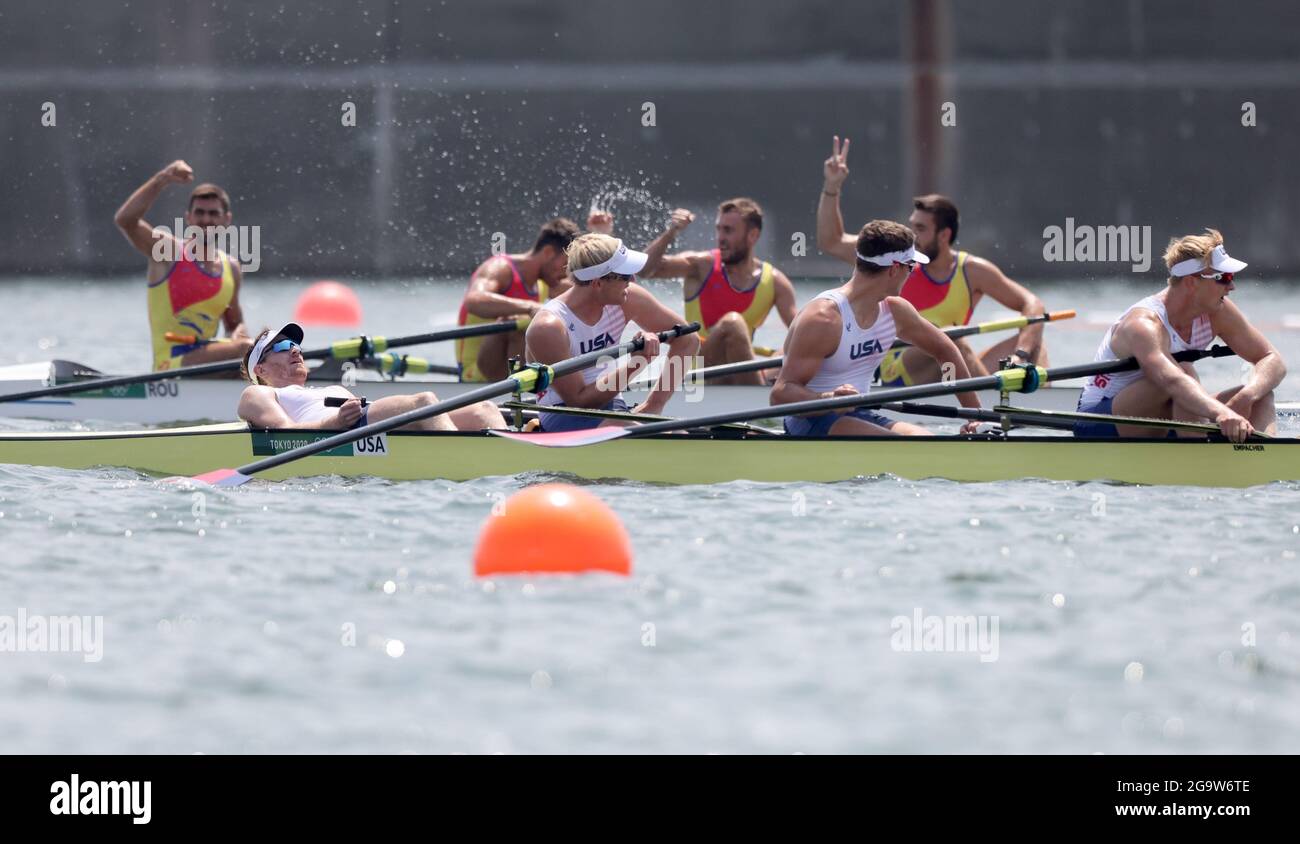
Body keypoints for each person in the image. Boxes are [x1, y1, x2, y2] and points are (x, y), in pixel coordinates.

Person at [816, 136, 1051, 384]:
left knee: (1036, 345)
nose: (911, 235)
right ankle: (989, 404)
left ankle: (1030, 404)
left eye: (921, 228)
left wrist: (1022, 355)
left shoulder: (973, 271)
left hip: (948, 363)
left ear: (944, 235)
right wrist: (832, 186)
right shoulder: (895, 256)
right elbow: (831, 241)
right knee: (950, 339)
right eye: (911, 226)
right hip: (897, 369)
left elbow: (1033, 305)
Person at [772, 220, 982, 436]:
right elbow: (780, 394)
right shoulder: (824, 319)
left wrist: (973, 416)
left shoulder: (895, 311)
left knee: (927, 441)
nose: (913, 273)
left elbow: (945, 352)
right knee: (907, 448)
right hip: (810, 419)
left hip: (860, 412)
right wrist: (827, 400)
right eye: (911, 267)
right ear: (894, 269)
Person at [1073, 229, 1284, 442]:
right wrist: (1222, 413)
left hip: (1167, 413)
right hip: (1100, 419)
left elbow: (1272, 359)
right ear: (1192, 282)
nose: (1231, 286)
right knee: (1183, 372)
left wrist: (1246, 397)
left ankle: (1260, 454)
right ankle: (1197, 458)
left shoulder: (1218, 311)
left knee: (1261, 394)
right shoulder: (1144, 324)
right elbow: (1172, 381)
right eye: (1223, 277)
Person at [524, 233, 700, 431]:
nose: (632, 279)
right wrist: (637, 363)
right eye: (625, 275)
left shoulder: (628, 299)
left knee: (677, 432)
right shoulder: (549, 327)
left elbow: (687, 340)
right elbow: (579, 401)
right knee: (663, 436)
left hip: (615, 410)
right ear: (598, 283)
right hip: (565, 415)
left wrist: (654, 404)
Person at [113, 160, 252, 371]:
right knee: (247, 350)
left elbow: (234, 324)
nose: (206, 220)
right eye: (200, 213)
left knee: (272, 349)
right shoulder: (167, 252)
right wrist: (164, 178)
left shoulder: (231, 268)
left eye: (214, 214)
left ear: (227, 220)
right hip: (171, 363)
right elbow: (125, 220)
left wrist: (239, 335)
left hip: (209, 360)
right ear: (188, 218)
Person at [639, 198, 797, 384]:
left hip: (740, 370)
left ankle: (763, 391)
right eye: (719, 229)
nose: (720, 237)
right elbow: (645, 270)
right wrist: (671, 233)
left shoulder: (776, 282)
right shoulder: (701, 265)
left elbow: (804, 332)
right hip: (698, 367)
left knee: (798, 345)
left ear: (753, 235)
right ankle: (759, 399)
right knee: (733, 323)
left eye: (728, 230)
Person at [238, 323, 505, 431]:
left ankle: (512, 463)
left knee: (485, 409)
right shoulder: (258, 392)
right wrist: (333, 422)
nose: (295, 350)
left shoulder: (321, 389)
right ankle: (463, 463)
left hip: (368, 429)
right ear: (260, 370)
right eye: (283, 347)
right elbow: (282, 433)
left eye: (296, 346)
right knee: (424, 400)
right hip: (340, 433)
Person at [455, 217, 581, 382]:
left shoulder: (545, 283)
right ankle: (525, 388)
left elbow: (587, 292)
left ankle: (559, 384)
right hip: (476, 372)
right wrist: (529, 307)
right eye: (565, 263)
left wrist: (601, 235)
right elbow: (474, 300)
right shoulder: (500, 268)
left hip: (512, 370)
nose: (566, 272)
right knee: (520, 322)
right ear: (548, 253)